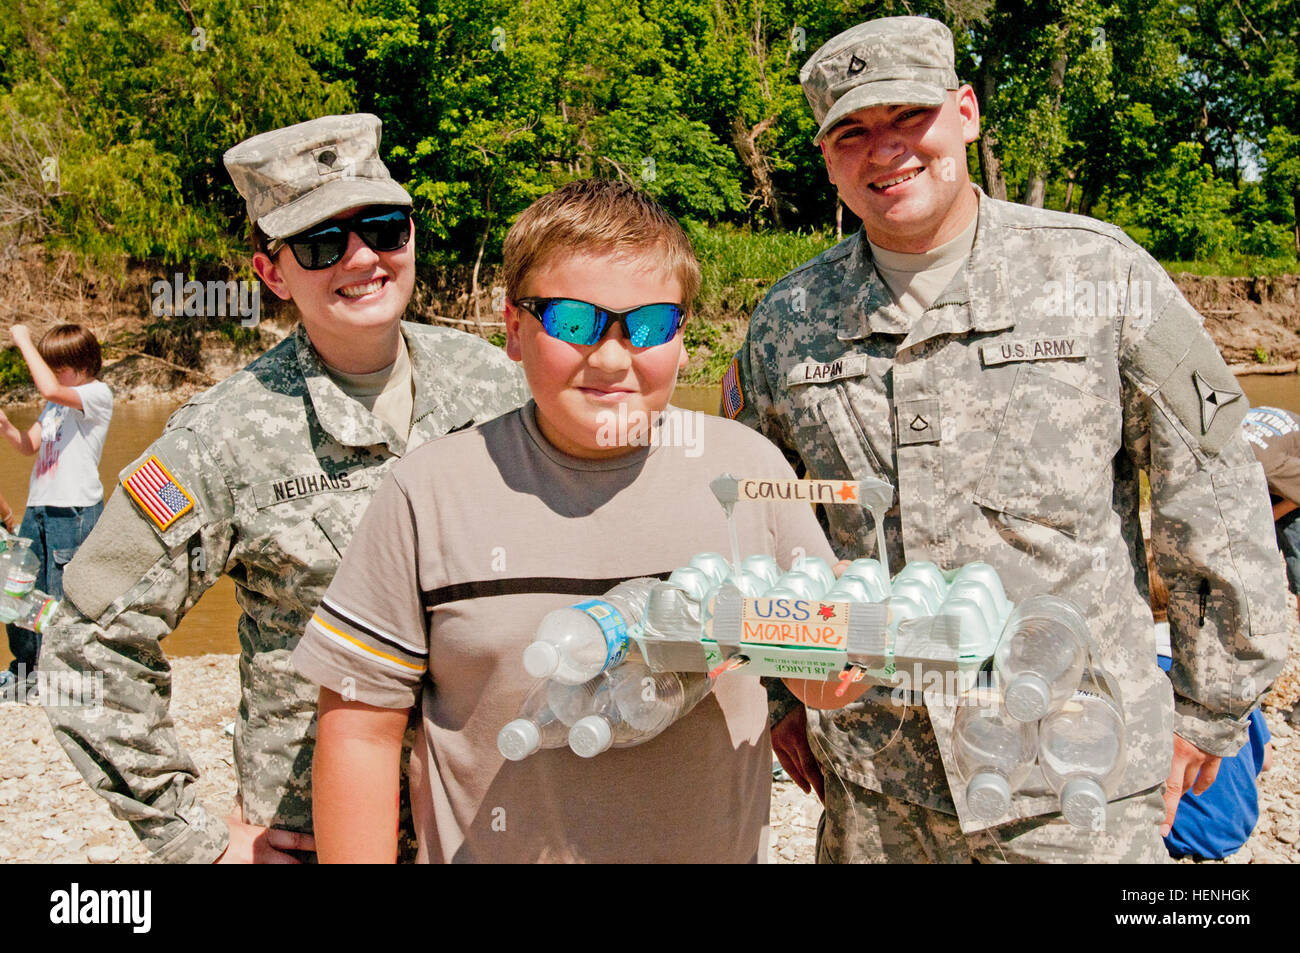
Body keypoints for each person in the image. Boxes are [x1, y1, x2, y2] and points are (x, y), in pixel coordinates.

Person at [726, 16, 1288, 862]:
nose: (886, 150)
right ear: (827, 156)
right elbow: (757, 521)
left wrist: (1215, 705)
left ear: (966, 112)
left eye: (908, 117)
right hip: (880, 787)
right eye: (852, 130)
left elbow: (1212, 489)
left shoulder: (1102, 276)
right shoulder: (786, 327)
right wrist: (777, 694)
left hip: (1073, 777)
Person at [292, 178, 839, 862]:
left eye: (648, 326)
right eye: (574, 323)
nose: (612, 358)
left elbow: (820, 673)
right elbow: (360, 729)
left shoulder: (749, 473)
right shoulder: (430, 490)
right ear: (515, 331)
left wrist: (849, 655)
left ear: (682, 335)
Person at [40, 114, 529, 863]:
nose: (362, 257)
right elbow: (86, 640)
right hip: (319, 840)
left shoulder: (495, 383)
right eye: (321, 242)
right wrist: (194, 841)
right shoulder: (223, 436)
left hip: (491, 826)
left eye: (383, 227)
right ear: (272, 273)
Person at [0, 323, 111, 698]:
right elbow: (29, 446)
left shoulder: (96, 394)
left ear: (79, 365)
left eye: (56, 364)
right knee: (20, 589)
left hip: (74, 509)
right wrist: (5, 426)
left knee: (61, 594)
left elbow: (48, 386)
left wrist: (23, 340)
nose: (49, 372)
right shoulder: (54, 405)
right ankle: (25, 670)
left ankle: (64, 674)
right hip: (39, 507)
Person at [1241, 406, 1300, 632]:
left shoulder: (1273, 467)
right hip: (1269, 459)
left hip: (1284, 476)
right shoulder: (1226, 445)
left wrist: (1266, 518)